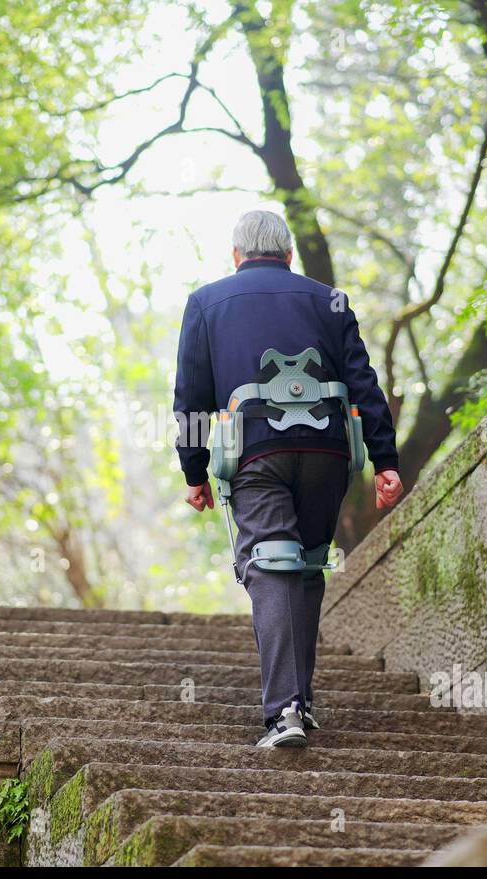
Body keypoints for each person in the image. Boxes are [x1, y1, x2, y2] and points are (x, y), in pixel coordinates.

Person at [173, 209, 404, 747]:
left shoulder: (206, 303)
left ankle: (285, 712)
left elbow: (192, 396)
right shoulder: (330, 299)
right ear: (290, 255)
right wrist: (385, 460)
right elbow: (364, 383)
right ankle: (299, 702)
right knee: (306, 564)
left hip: (256, 452)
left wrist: (194, 470)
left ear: (236, 255)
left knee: (272, 563)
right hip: (327, 452)